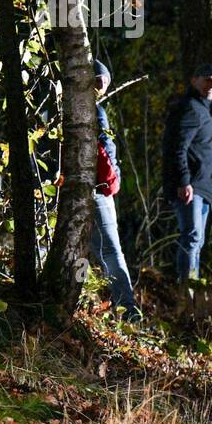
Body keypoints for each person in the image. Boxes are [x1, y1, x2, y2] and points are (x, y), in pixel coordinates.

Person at [162, 63, 212, 283]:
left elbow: (194, 142)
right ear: (194, 81)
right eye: (207, 79)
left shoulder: (204, 109)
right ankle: (186, 288)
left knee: (197, 240)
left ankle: (192, 286)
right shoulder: (190, 108)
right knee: (192, 236)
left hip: (203, 185)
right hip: (192, 185)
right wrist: (184, 181)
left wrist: (211, 137)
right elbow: (176, 147)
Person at [91, 60, 138, 316]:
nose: (101, 87)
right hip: (97, 191)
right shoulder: (97, 112)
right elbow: (108, 150)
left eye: (106, 83)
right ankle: (127, 309)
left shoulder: (57, 110)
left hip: (73, 189)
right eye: (98, 81)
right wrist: (113, 177)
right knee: (110, 249)